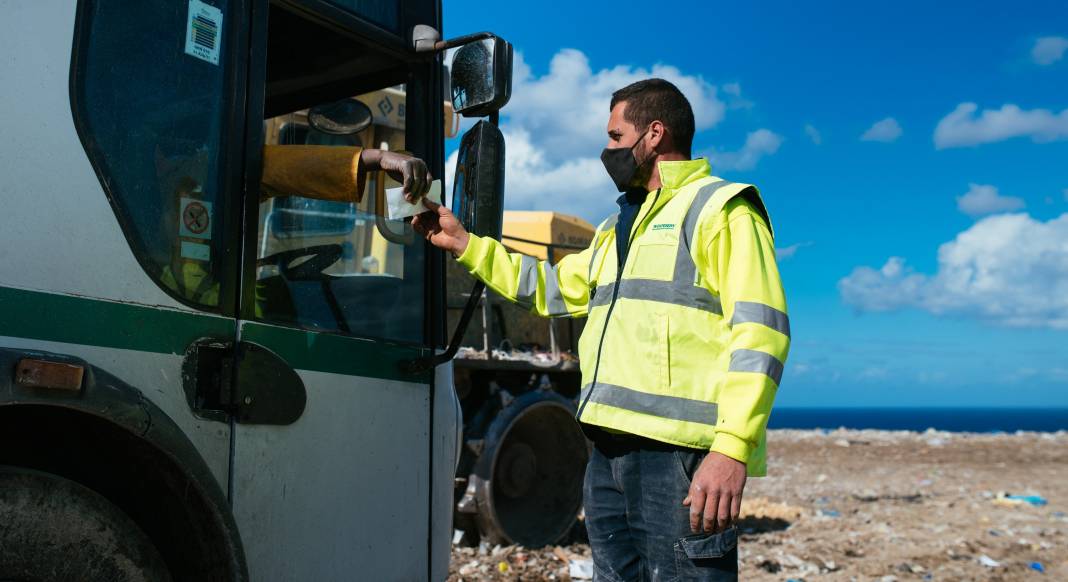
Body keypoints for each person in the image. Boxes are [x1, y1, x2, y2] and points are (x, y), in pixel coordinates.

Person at [414, 78, 790, 581]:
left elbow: (760, 334)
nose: (607, 149)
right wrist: (466, 245)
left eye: (616, 136)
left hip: (678, 460)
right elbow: (548, 290)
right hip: (607, 454)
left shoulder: (721, 210)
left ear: (653, 134)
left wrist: (731, 450)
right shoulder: (615, 228)